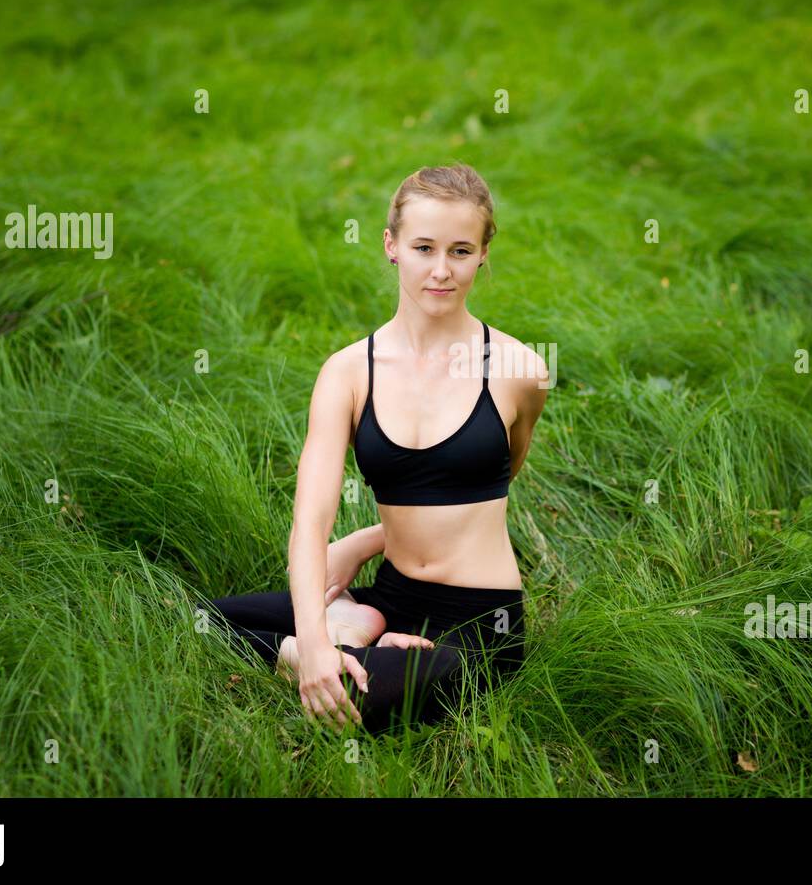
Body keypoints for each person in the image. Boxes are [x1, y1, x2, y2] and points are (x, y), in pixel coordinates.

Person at [200, 164, 551, 734]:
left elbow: (500, 474)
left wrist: (315, 639)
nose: (441, 271)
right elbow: (312, 519)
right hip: (392, 592)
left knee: (366, 700)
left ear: (484, 253)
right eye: (423, 247)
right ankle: (346, 636)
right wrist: (313, 642)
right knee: (204, 618)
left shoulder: (519, 370)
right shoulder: (347, 373)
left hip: (479, 618)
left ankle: (343, 646)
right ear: (392, 246)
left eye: (461, 251)